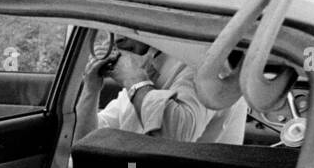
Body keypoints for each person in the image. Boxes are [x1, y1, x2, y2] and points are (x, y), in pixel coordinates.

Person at [75, 35, 246, 144]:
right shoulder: (145, 66)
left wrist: (133, 80)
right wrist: (91, 89)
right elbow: (83, 142)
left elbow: (175, 137)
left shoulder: (203, 67)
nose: (114, 40)